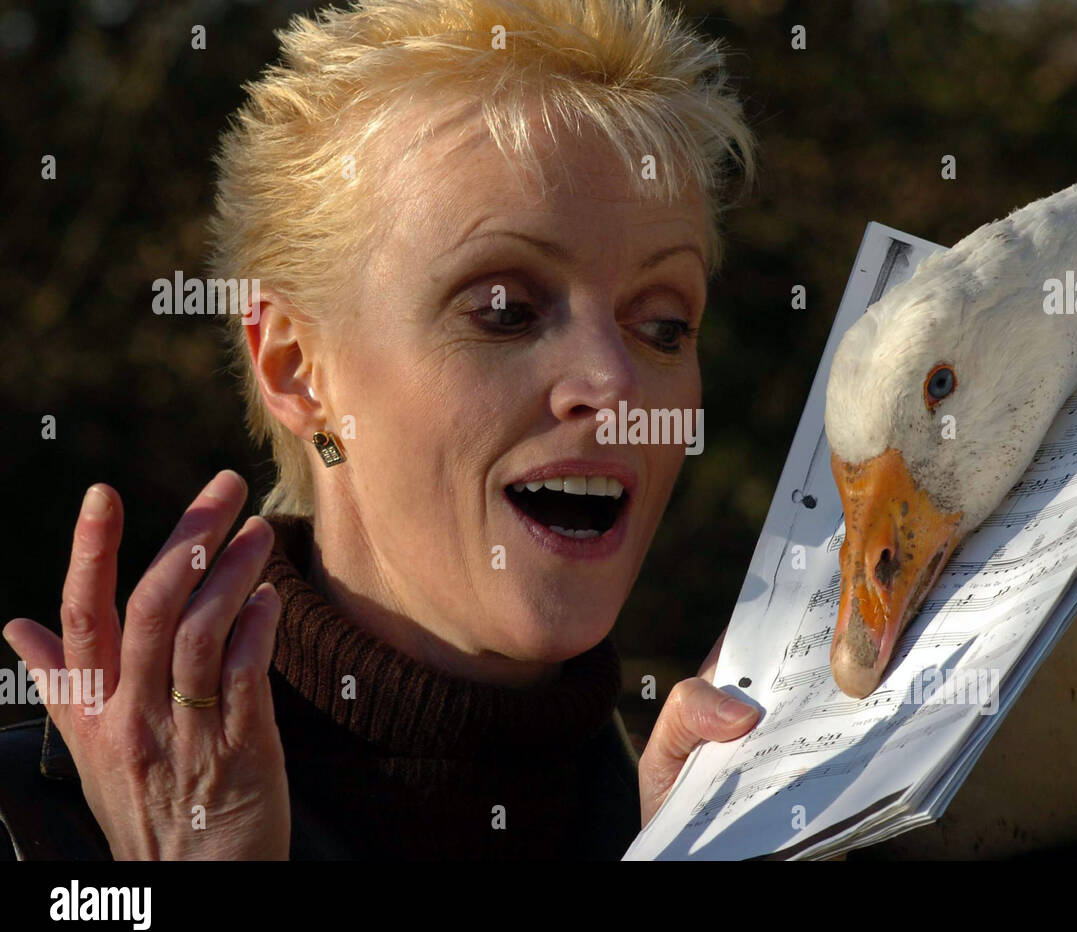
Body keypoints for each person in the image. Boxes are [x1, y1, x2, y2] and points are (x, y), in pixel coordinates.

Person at [0, 0, 761, 860]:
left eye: (662, 325)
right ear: (294, 366)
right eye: (506, 311)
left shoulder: (721, 822)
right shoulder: (35, 825)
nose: (617, 384)